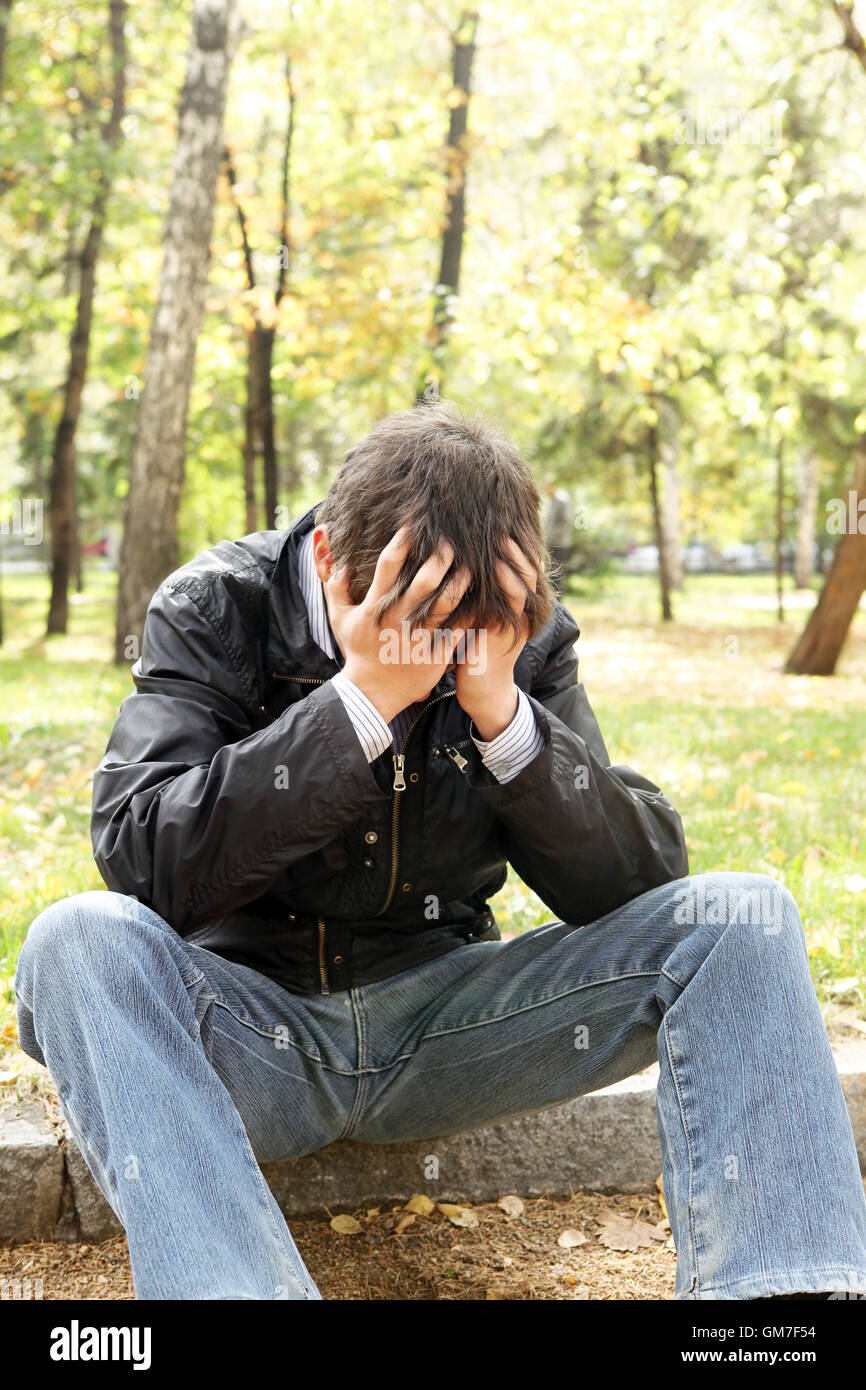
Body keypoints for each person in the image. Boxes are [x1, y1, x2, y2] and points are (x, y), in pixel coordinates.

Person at [15, 401, 866, 1301]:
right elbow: (144, 863)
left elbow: (638, 884)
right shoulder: (215, 606)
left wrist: (504, 714)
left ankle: (780, 1310)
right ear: (328, 561)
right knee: (76, 940)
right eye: (422, 619)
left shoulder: (524, 633)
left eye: (473, 624)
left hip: (452, 1031)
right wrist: (360, 704)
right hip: (247, 1032)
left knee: (743, 916)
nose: (444, 650)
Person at [543, 480, 573, 595]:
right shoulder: (550, 502)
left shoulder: (562, 501)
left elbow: (566, 522)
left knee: (557, 575)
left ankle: (558, 604)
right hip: (550, 543)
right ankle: (553, 601)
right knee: (551, 573)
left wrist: (551, 534)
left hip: (560, 544)